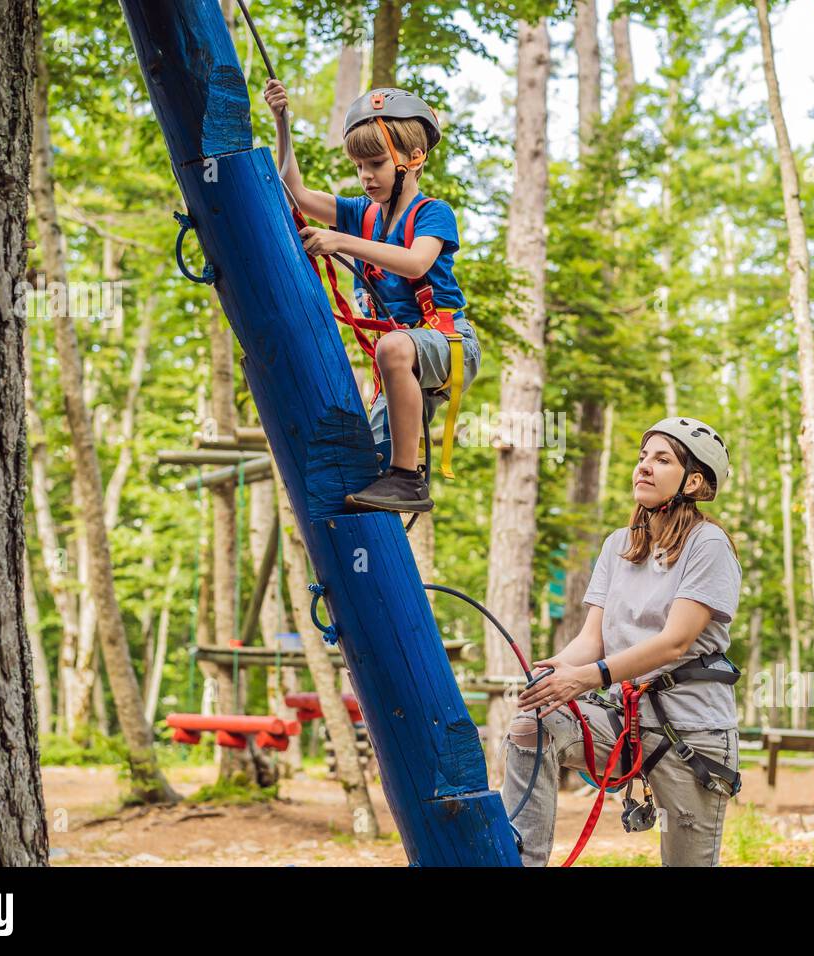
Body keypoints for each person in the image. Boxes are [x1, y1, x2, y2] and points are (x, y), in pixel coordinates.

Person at [501, 417, 744, 866]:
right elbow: (591, 639)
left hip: (692, 734)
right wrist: (554, 671)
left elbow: (675, 643)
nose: (645, 467)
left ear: (693, 481)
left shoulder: (707, 545)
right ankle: (522, 860)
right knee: (533, 724)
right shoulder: (618, 546)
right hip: (624, 723)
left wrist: (587, 678)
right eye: (642, 457)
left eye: (662, 459)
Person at [263, 80, 480, 514]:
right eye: (360, 166)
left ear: (413, 160)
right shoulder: (360, 215)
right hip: (397, 358)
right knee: (365, 463)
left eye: (376, 164)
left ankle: (408, 479)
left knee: (394, 346)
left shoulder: (432, 213)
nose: (366, 177)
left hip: (449, 343)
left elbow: (416, 263)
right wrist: (282, 123)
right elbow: (296, 195)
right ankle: (386, 492)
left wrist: (341, 243)